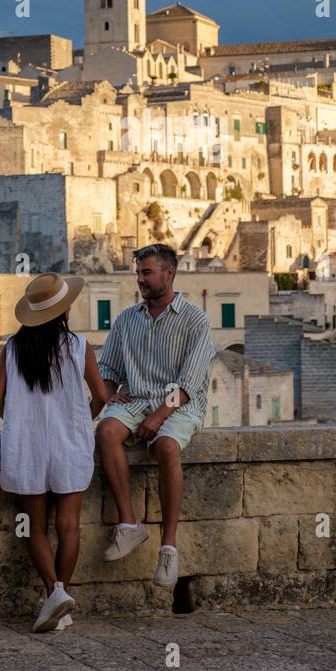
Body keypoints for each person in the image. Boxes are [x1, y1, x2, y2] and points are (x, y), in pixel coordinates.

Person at [0, 271, 109, 633]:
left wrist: (18, 422)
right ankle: (60, 597)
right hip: (69, 445)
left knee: (31, 527)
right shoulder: (79, 347)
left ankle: (53, 595)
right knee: (69, 526)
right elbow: (101, 396)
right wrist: (80, 421)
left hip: (27, 447)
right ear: (63, 310)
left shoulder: (12, 348)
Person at [95, 244, 215, 588]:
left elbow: (191, 382)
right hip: (137, 399)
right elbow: (109, 367)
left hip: (179, 404)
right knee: (106, 432)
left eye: (146, 273)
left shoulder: (195, 319)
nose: (140, 280)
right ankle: (129, 525)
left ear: (169, 273)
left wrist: (159, 415)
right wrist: (107, 394)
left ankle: (169, 546)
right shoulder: (126, 319)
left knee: (164, 446)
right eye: (138, 273)